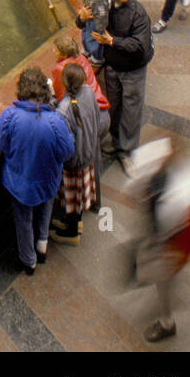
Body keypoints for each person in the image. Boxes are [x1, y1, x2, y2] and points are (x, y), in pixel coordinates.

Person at [128, 144, 190, 344]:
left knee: (163, 282)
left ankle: (167, 323)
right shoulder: (157, 170)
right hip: (160, 238)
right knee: (157, 274)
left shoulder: (189, 192)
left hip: (172, 249)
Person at [0, 66, 74, 275]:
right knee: (46, 207)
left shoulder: (11, 115)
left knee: (23, 219)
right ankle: (42, 244)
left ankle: (29, 260)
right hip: (48, 178)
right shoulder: (55, 120)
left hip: (20, 180)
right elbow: (67, 151)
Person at [82, 0, 152, 166]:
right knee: (114, 106)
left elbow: (140, 46)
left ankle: (128, 152)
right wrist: (81, 18)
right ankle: (116, 141)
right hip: (113, 67)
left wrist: (112, 41)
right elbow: (85, 25)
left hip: (132, 70)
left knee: (131, 111)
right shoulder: (104, 4)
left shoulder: (137, 12)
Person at [51, 63, 108, 245]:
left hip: (73, 162)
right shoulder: (88, 92)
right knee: (80, 196)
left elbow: (66, 145)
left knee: (72, 198)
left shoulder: (64, 110)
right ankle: (75, 222)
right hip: (88, 155)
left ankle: (71, 233)